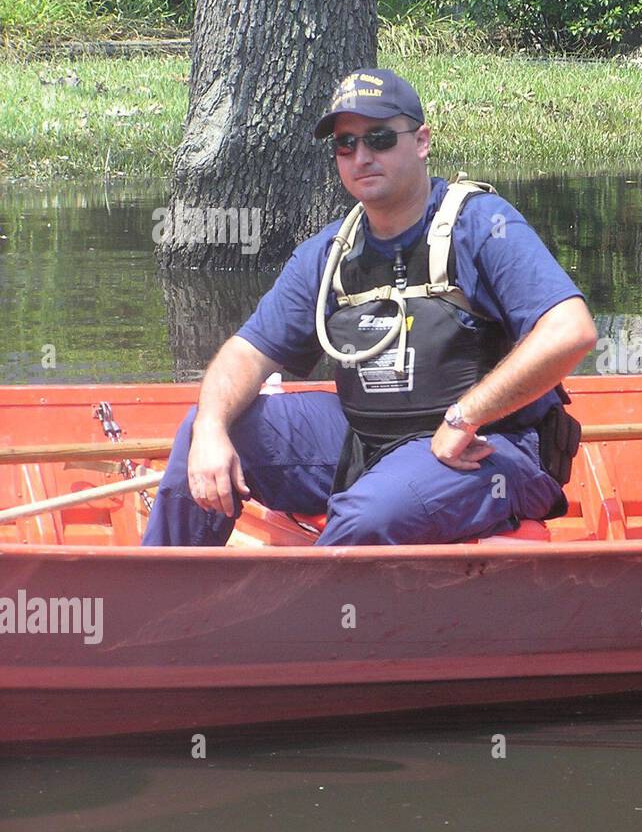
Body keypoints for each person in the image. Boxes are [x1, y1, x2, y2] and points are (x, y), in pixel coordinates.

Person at [143, 68, 596, 546]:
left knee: (369, 516)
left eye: (379, 138)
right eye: (346, 144)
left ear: (421, 141)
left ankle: (308, 616)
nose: (362, 156)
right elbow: (245, 353)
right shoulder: (330, 251)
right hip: (365, 438)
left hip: (486, 447)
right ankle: (163, 601)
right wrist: (214, 429)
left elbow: (570, 331)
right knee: (205, 428)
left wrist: (465, 416)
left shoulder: (482, 224)